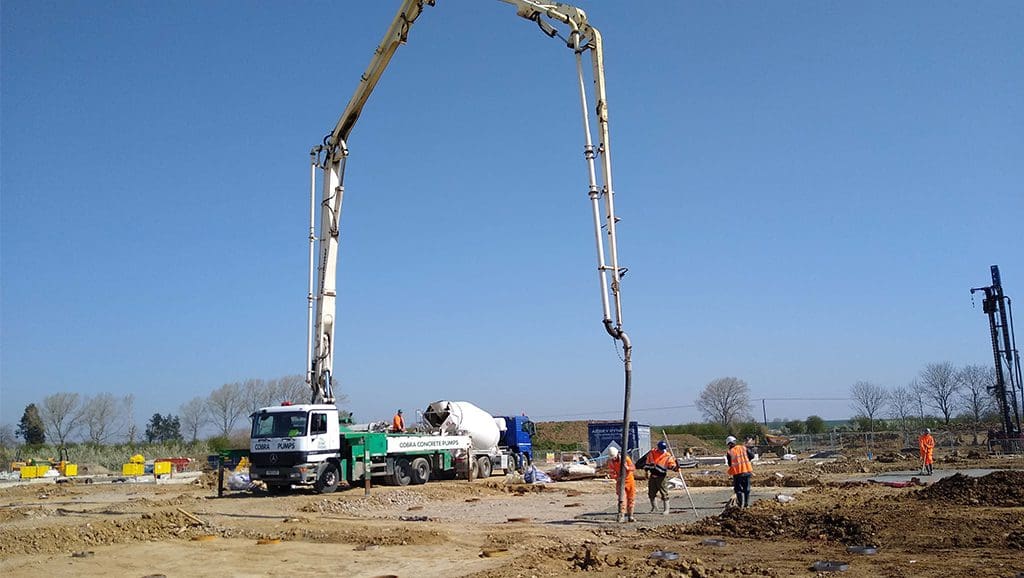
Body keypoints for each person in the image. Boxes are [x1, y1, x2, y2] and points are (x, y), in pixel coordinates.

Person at [637, 440, 678, 514]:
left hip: (661, 477)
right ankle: (654, 508)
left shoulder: (667, 456)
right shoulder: (652, 453)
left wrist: (676, 466)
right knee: (651, 493)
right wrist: (646, 471)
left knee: (664, 493)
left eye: (663, 449)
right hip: (653, 475)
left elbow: (672, 466)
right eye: (661, 449)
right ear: (658, 448)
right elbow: (648, 462)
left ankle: (666, 510)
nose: (662, 451)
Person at [606, 446, 636, 522]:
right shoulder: (611, 462)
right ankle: (621, 515)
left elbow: (633, 467)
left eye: (614, 457)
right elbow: (612, 473)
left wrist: (627, 468)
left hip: (630, 481)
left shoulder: (626, 459)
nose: (613, 459)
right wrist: (617, 477)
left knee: (631, 499)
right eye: (612, 458)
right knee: (622, 499)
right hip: (620, 482)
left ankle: (630, 515)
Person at [726, 435, 754, 508]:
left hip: (737, 473)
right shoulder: (743, 448)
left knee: (738, 489)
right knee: (747, 488)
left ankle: (740, 504)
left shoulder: (730, 452)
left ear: (729, 444)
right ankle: (746, 504)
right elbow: (752, 456)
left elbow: (730, 464)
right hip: (747, 471)